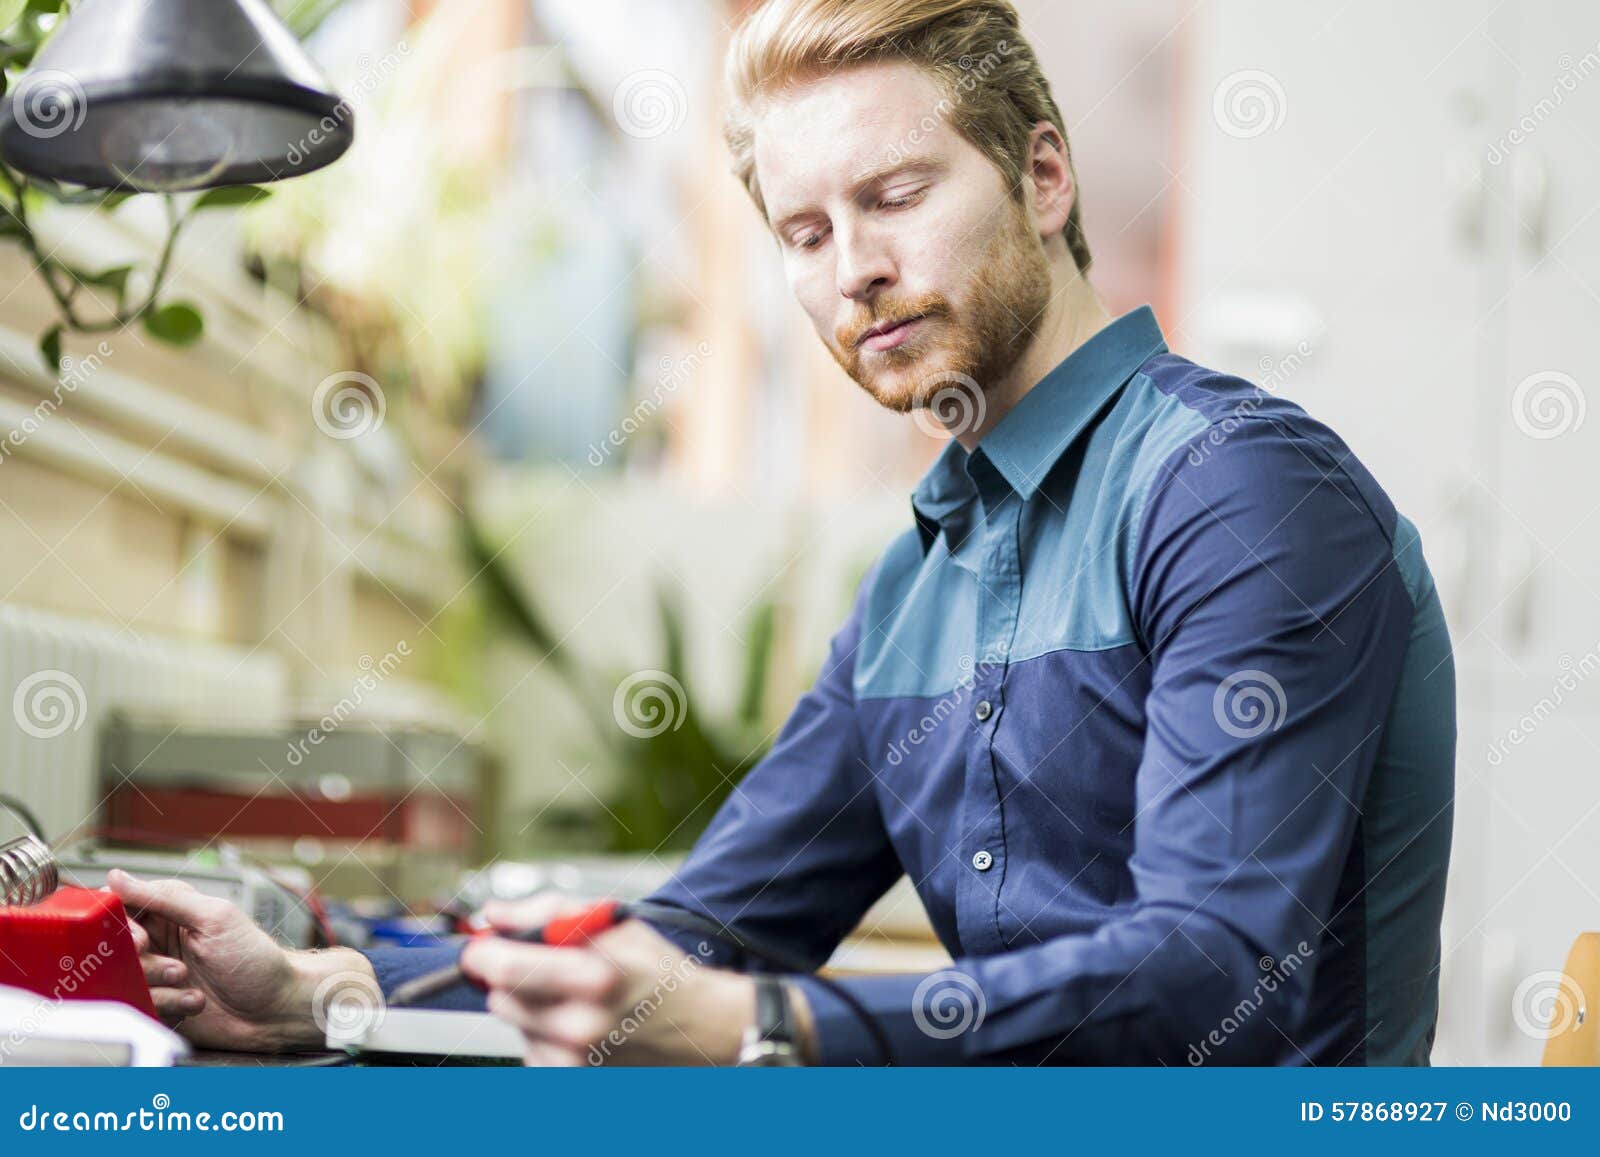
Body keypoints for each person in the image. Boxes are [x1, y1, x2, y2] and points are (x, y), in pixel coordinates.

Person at [115, 0, 1455, 1066]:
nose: (850, 270)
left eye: (895, 196)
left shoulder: (1236, 492)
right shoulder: (918, 582)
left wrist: (766, 1027)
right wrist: (328, 980)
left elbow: (1209, 971)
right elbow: (709, 927)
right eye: (805, 232)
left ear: (1045, 174)